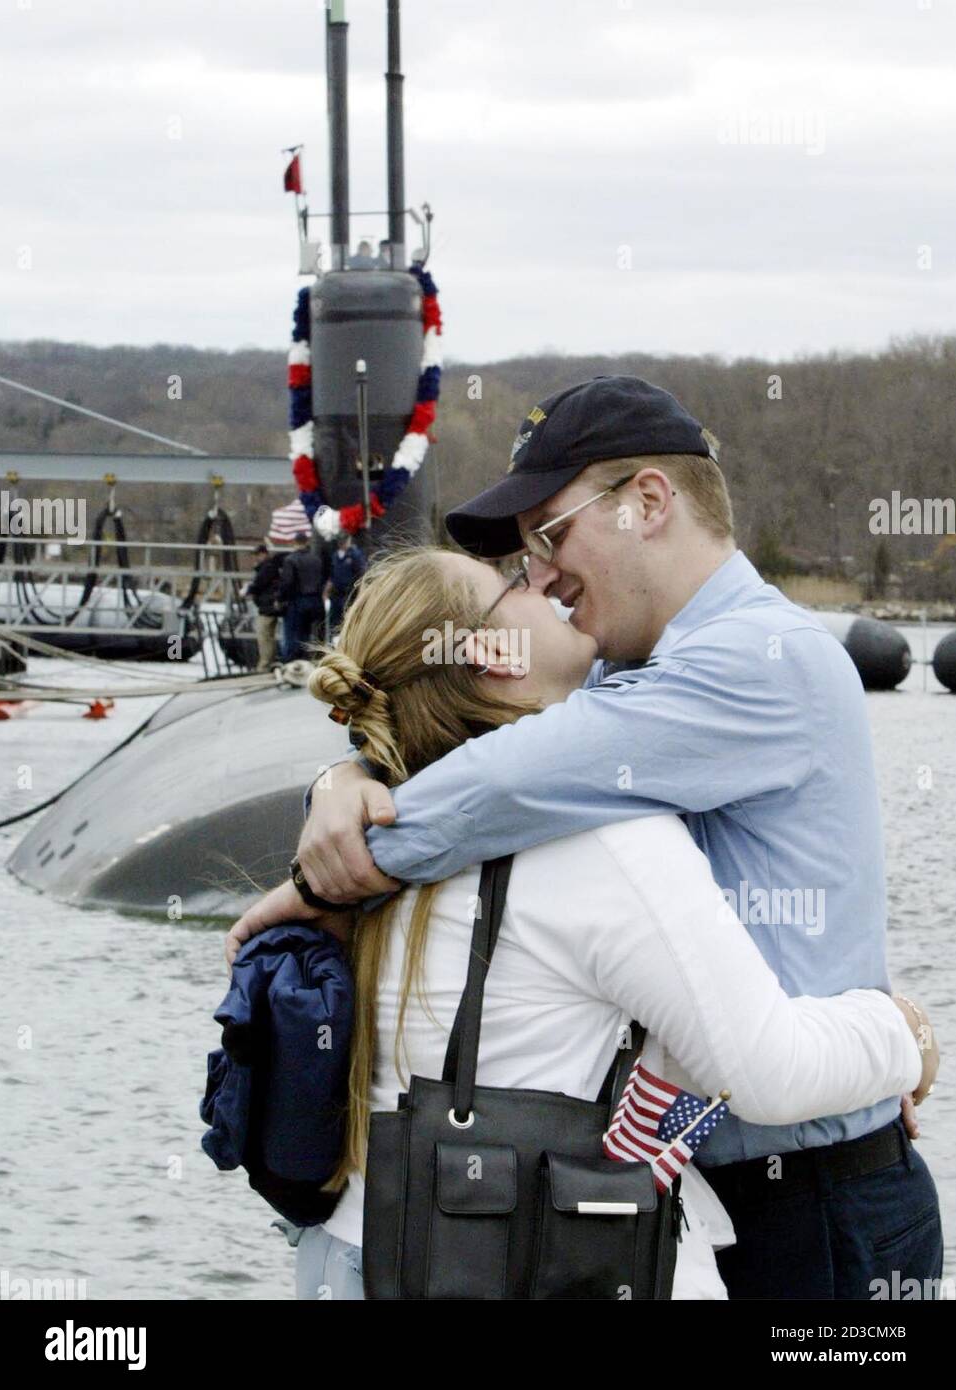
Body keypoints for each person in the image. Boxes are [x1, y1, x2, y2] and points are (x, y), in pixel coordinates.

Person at [229, 376, 944, 1300]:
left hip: (814, 1200)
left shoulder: (764, 663)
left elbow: (514, 772)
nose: (542, 573)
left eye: (551, 534)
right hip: (672, 1193)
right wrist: (351, 777)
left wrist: (343, 866)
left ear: (648, 502)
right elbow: (497, 749)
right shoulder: (621, 680)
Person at [278, 531, 323, 662]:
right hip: (314, 600)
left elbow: (288, 582)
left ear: (294, 542)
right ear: (306, 542)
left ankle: (291, 663)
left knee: (292, 634)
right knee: (306, 634)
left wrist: (280, 598)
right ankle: (305, 661)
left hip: (297, 600)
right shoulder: (315, 559)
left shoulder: (290, 559)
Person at [244, 542, 284, 671]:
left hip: (267, 608)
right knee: (268, 637)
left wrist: (247, 591)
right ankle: (269, 663)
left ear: (264, 553)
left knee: (264, 637)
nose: (256, 557)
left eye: (258, 554)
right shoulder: (271, 566)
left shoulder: (267, 567)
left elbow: (258, 584)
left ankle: (264, 665)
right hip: (269, 607)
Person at [322, 532, 366, 634]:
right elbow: (332, 576)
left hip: (350, 593)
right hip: (337, 593)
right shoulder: (335, 556)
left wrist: (360, 594)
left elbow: (362, 576)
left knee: (347, 620)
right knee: (334, 621)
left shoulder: (355, 555)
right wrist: (326, 591)